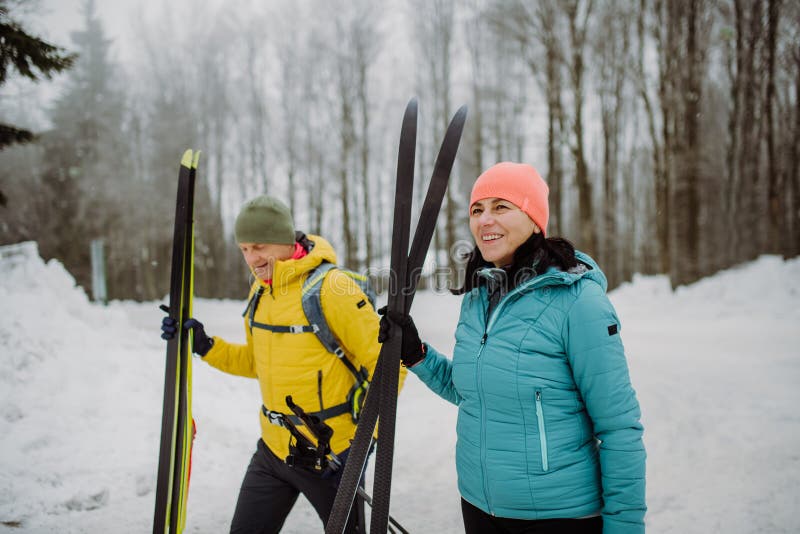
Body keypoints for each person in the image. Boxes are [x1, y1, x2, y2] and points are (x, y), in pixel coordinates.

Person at [379, 162, 646, 534]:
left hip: (558, 517)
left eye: (501, 206)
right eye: (477, 210)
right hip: (478, 506)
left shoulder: (577, 302)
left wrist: (625, 528)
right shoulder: (477, 297)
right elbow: (472, 392)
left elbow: (619, 428)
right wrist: (416, 354)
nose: (484, 220)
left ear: (534, 219)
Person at [161, 195, 402, 533]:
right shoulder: (261, 291)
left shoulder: (333, 289)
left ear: (285, 241)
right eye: (244, 249)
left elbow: (389, 366)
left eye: (258, 246)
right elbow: (255, 361)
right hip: (275, 450)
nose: (251, 259)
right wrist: (204, 345)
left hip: (331, 456)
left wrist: (365, 441)